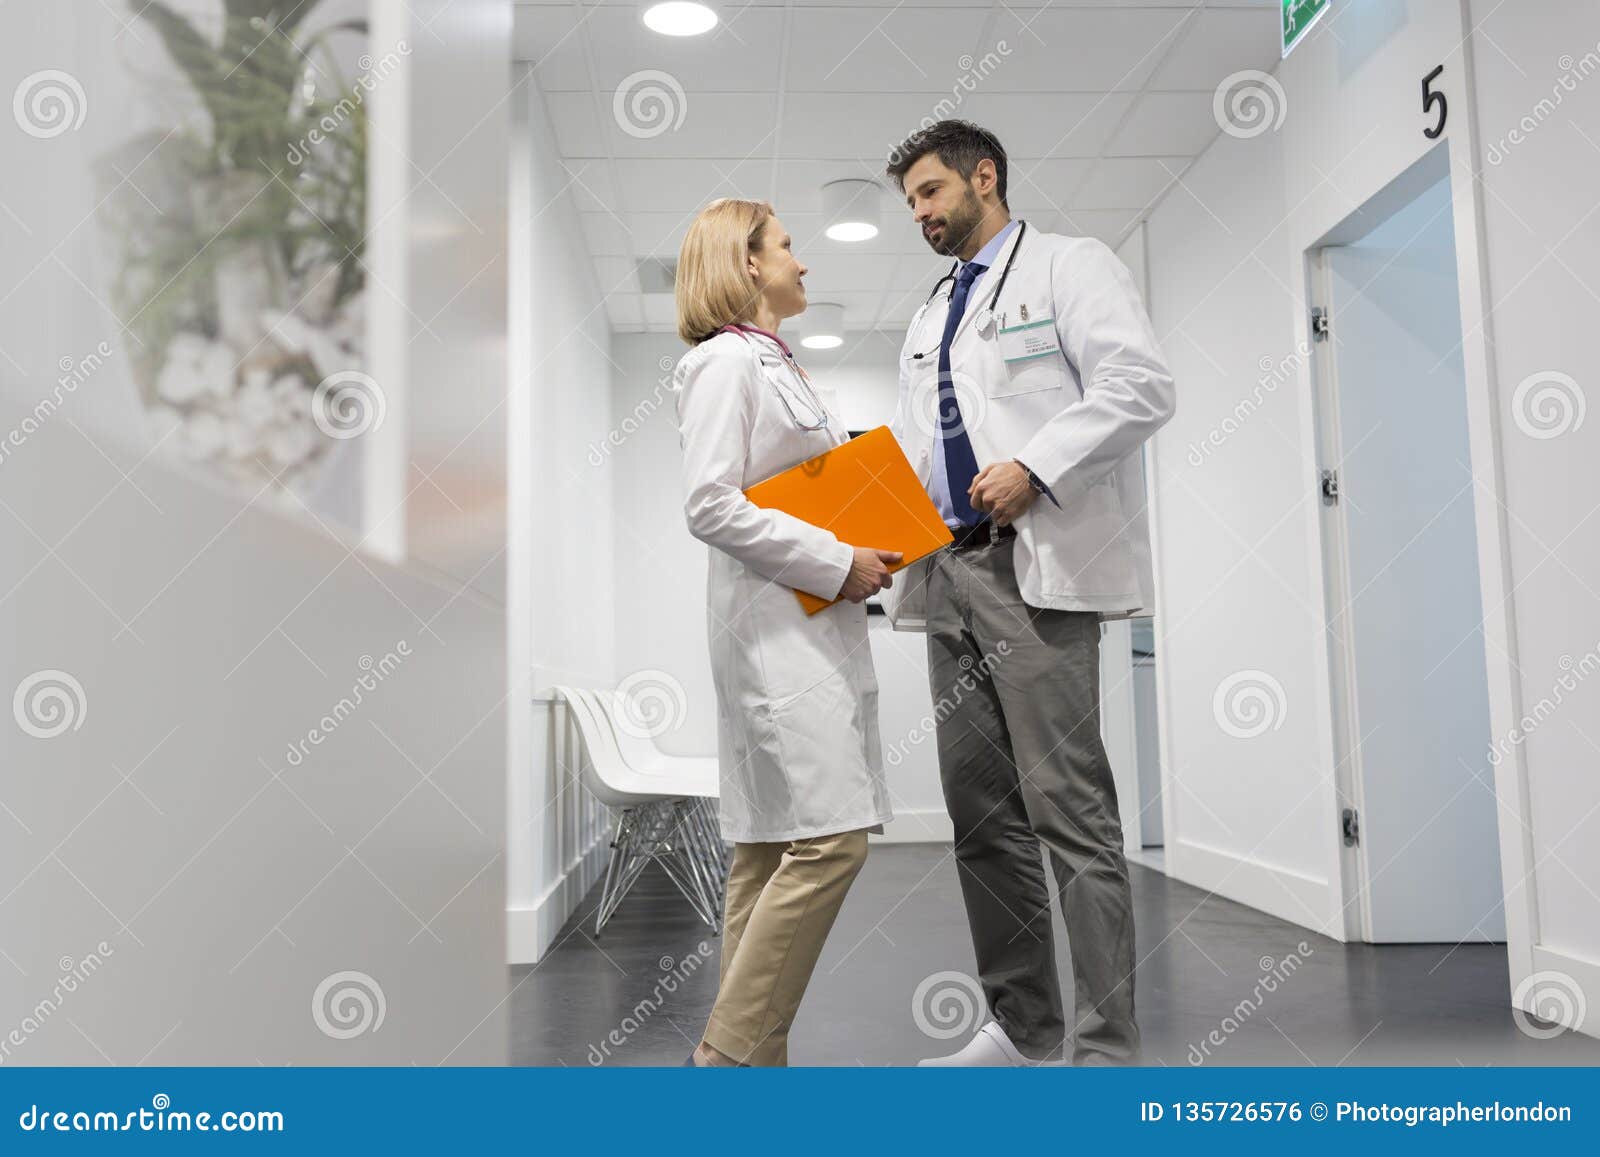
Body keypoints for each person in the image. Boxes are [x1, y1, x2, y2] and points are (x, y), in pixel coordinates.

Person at [881, 120, 1176, 1066]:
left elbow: (1140, 385)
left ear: (985, 176)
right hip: (947, 572)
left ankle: (1106, 1049)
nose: (920, 214)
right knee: (979, 812)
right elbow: (922, 447)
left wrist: (1036, 467)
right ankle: (1021, 1027)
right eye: (910, 203)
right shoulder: (932, 312)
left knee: (1069, 810)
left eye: (930, 192)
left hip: (1031, 568)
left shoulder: (1068, 267)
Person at [671, 198, 901, 1067]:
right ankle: (726, 1058)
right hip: (775, 638)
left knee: (767, 852)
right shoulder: (724, 362)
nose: (802, 264)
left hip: (802, 627)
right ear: (747, 262)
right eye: (788, 247)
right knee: (831, 840)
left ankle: (752, 1076)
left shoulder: (775, 364)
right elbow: (709, 503)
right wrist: (837, 560)